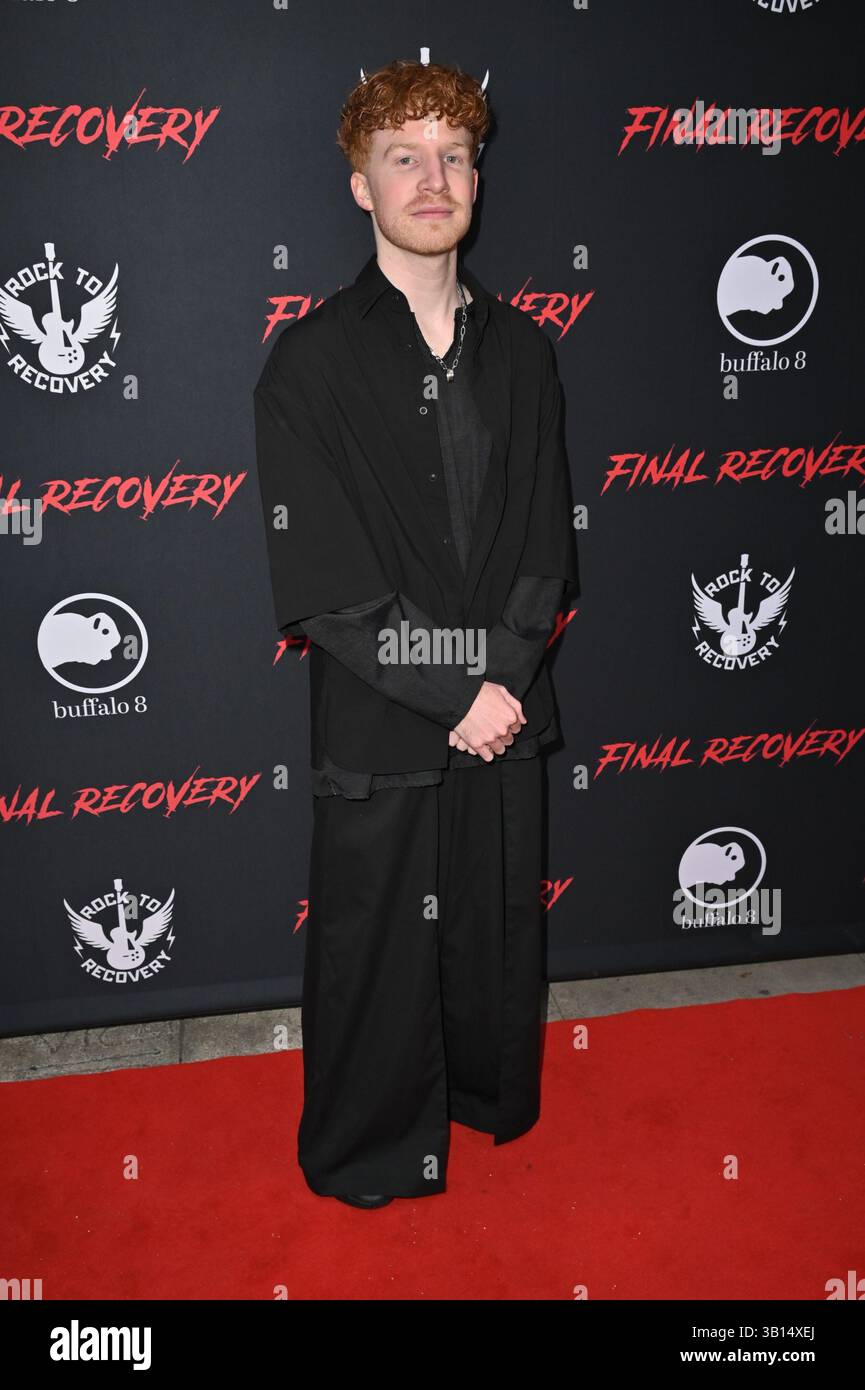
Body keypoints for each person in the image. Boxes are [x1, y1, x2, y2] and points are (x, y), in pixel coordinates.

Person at [253, 57, 578, 1209]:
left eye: (454, 156)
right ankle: (372, 1151)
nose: (432, 179)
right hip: (385, 720)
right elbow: (328, 585)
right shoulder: (309, 361)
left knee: (491, 932)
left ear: (476, 178)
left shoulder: (527, 351)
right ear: (361, 185)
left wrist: (505, 682)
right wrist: (465, 692)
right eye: (404, 158)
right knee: (376, 952)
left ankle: (486, 1100)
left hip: (501, 713)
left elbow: (546, 544)